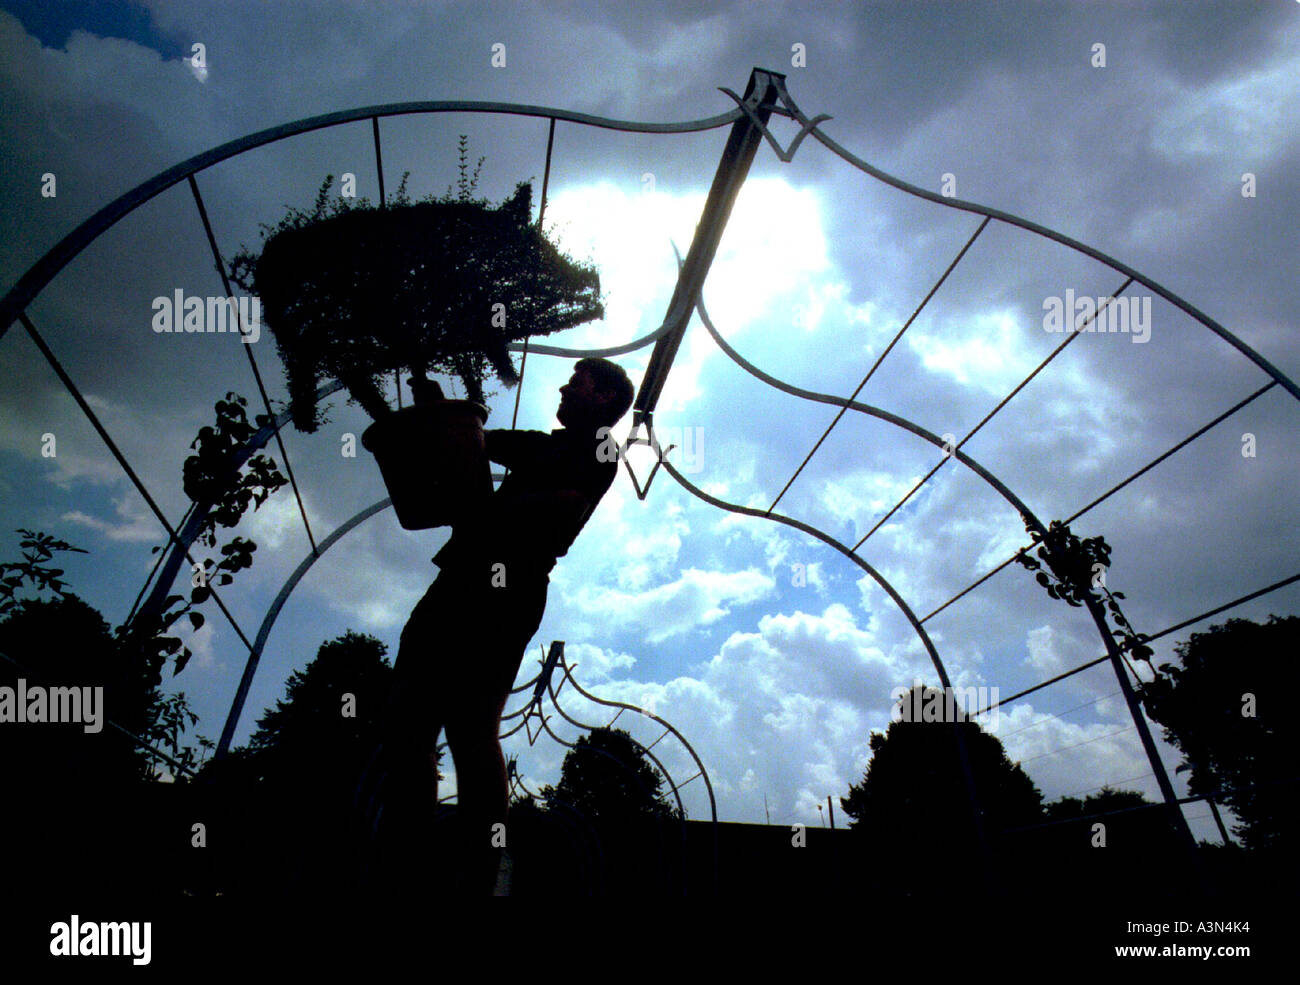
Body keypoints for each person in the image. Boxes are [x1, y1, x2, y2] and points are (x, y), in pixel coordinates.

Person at [375, 356, 634, 896]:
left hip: (508, 587)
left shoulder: (602, 448)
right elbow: (471, 439)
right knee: (407, 719)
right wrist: (434, 403)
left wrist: (481, 514)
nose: (565, 386)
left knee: (470, 731)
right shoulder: (545, 444)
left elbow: (564, 507)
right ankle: (405, 862)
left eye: (577, 382)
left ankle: (479, 878)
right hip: (460, 579)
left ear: (606, 397)